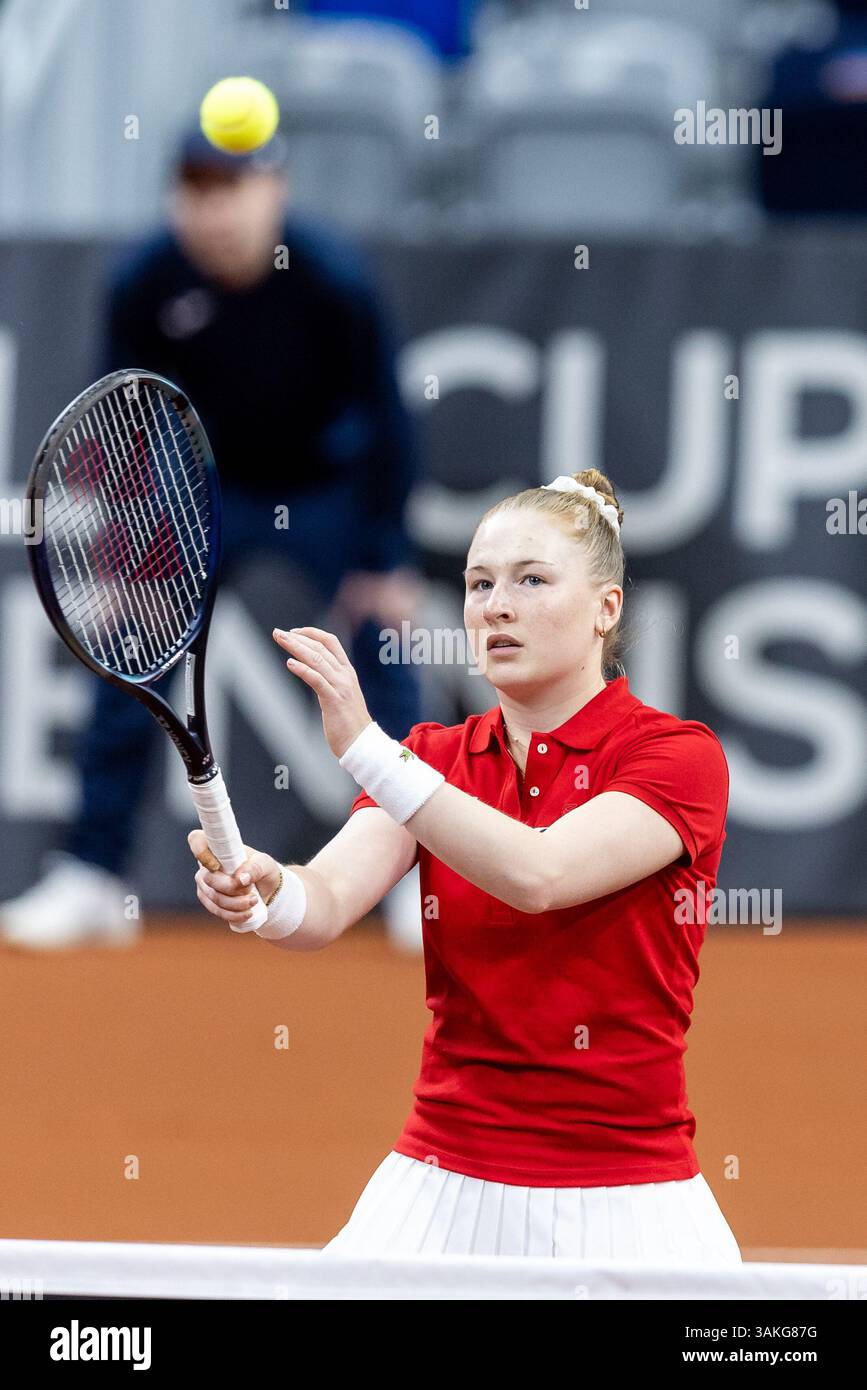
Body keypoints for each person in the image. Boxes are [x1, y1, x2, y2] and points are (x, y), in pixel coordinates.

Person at [188, 468, 742, 1263]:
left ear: (605, 609)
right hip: (436, 1186)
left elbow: (538, 875)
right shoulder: (435, 760)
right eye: (478, 583)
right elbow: (328, 901)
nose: (496, 606)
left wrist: (364, 750)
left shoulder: (677, 758)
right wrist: (268, 894)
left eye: (530, 580)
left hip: (634, 1199)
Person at [0, 129, 423, 951]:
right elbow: (122, 418)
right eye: (196, 192)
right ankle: (92, 873)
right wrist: (126, 554)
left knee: (384, 658)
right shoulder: (145, 281)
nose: (215, 212)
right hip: (199, 495)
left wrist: (383, 557)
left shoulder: (333, 279)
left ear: (275, 192)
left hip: (321, 489)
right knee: (130, 663)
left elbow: (388, 420)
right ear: (173, 201)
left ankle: (413, 880)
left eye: (233, 189)